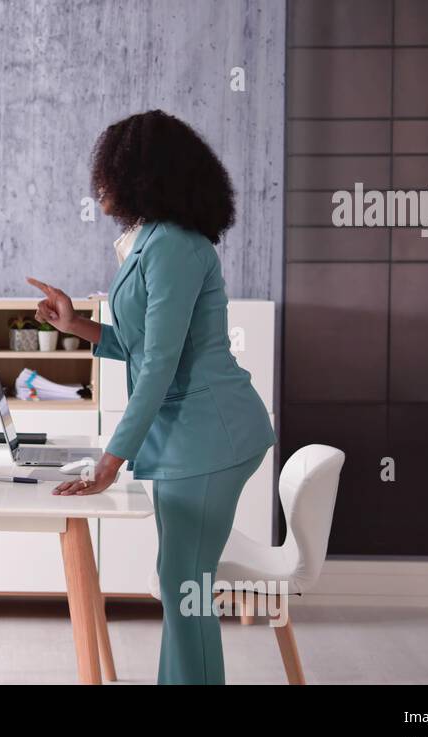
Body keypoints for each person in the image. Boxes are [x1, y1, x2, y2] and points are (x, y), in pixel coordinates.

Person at [27, 110, 275, 685]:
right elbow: (143, 347)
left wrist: (109, 464)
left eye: (110, 171)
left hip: (212, 434)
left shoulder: (174, 248)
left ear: (142, 176)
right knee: (178, 578)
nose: (100, 186)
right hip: (188, 433)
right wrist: (76, 326)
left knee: (185, 584)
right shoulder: (157, 243)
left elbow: (161, 364)